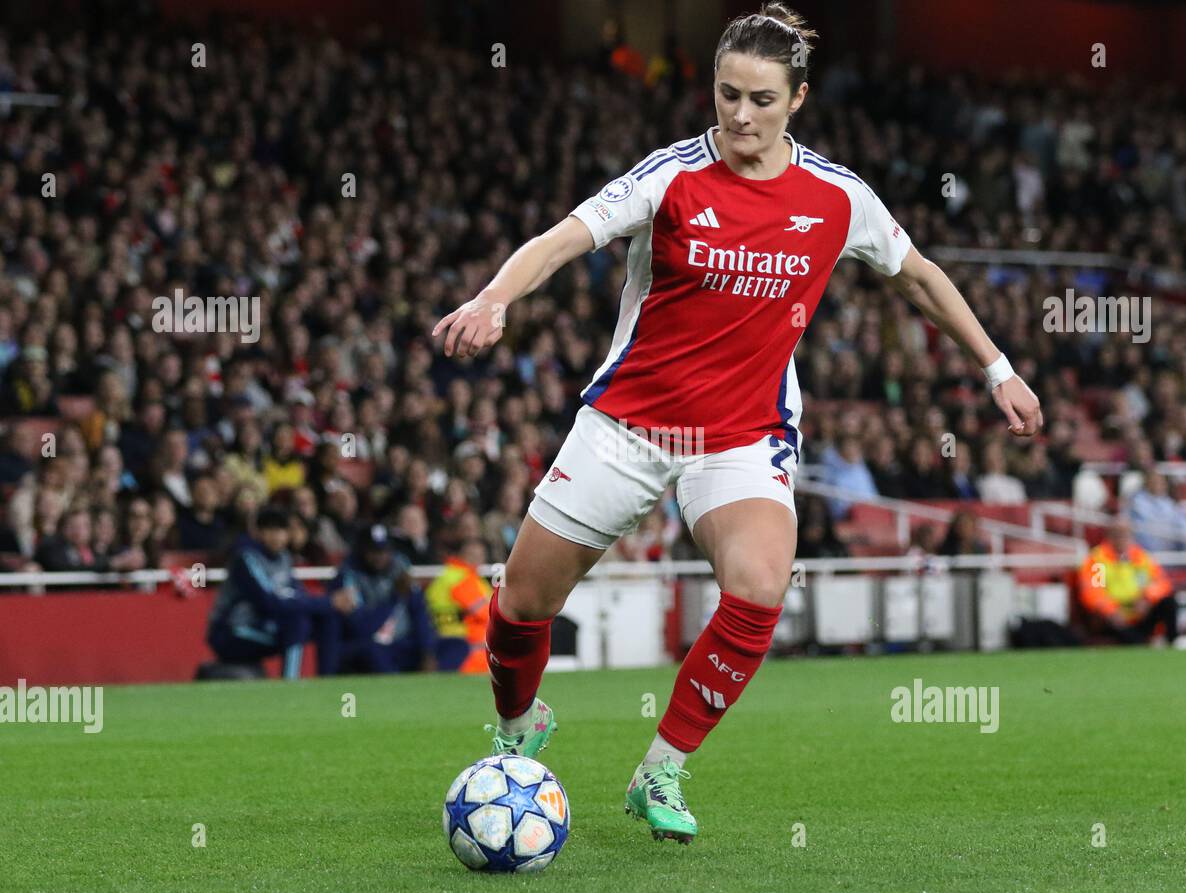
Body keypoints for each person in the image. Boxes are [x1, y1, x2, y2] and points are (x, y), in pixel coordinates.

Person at [432, 2, 1042, 844]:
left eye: (760, 99)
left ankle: (663, 768)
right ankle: (519, 726)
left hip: (743, 434)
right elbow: (563, 238)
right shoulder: (674, 174)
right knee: (524, 601)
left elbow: (920, 277)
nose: (739, 117)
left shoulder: (836, 196)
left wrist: (997, 367)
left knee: (759, 583)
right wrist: (493, 297)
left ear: (798, 98)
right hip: (629, 424)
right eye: (726, 96)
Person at [205, 505, 355, 677]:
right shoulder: (246, 559)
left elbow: (298, 596)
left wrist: (328, 606)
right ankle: (290, 683)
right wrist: (329, 602)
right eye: (271, 530)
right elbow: (269, 603)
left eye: (281, 530)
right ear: (259, 533)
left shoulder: (284, 558)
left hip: (265, 627)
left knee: (327, 618)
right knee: (297, 623)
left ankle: (328, 681)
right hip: (233, 632)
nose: (277, 536)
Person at [319, 524, 436, 674]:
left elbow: (419, 612)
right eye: (373, 551)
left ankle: (432, 682)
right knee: (373, 650)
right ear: (362, 551)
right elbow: (362, 628)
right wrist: (395, 597)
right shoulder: (349, 575)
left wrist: (427, 652)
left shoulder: (400, 566)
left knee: (455, 645)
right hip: (365, 645)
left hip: (401, 642)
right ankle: (396, 688)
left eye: (384, 551)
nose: (379, 557)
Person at [1076, 515, 1178, 644]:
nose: (1122, 539)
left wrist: (1147, 598)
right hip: (1114, 618)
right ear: (1109, 536)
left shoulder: (1141, 557)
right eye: (1117, 534)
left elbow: (1161, 583)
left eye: (1126, 534)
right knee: (1122, 630)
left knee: (1169, 602)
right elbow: (1094, 593)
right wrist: (1111, 611)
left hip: (1140, 613)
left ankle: (1172, 643)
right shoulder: (1098, 560)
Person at [425, 538, 493, 673]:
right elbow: (486, 613)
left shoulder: (449, 574)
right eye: (472, 555)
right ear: (462, 554)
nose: (477, 559)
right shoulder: (462, 578)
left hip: (443, 635)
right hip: (464, 643)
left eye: (480, 555)